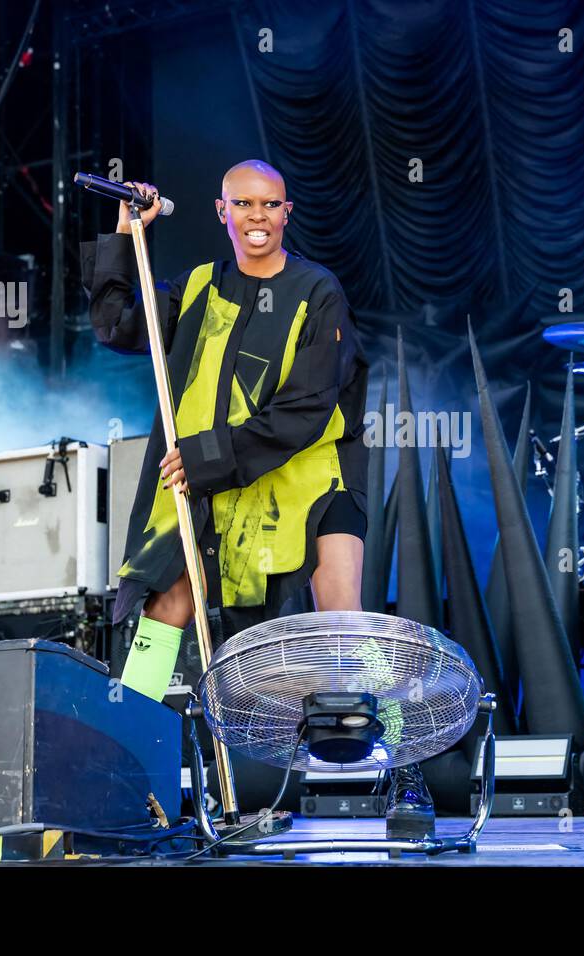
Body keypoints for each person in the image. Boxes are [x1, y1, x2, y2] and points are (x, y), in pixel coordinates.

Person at [80, 160, 434, 839]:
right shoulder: (200, 288)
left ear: (286, 213)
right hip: (218, 484)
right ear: (222, 212)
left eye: (270, 205)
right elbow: (118, 325)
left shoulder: (316, 290)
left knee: (341, 611)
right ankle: (115, 766)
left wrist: (211, 456)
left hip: (308, 473)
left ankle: (405, 770)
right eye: (244, 205)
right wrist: (127, 231)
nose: (258, 218)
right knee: (167, 606)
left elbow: (308, 406)